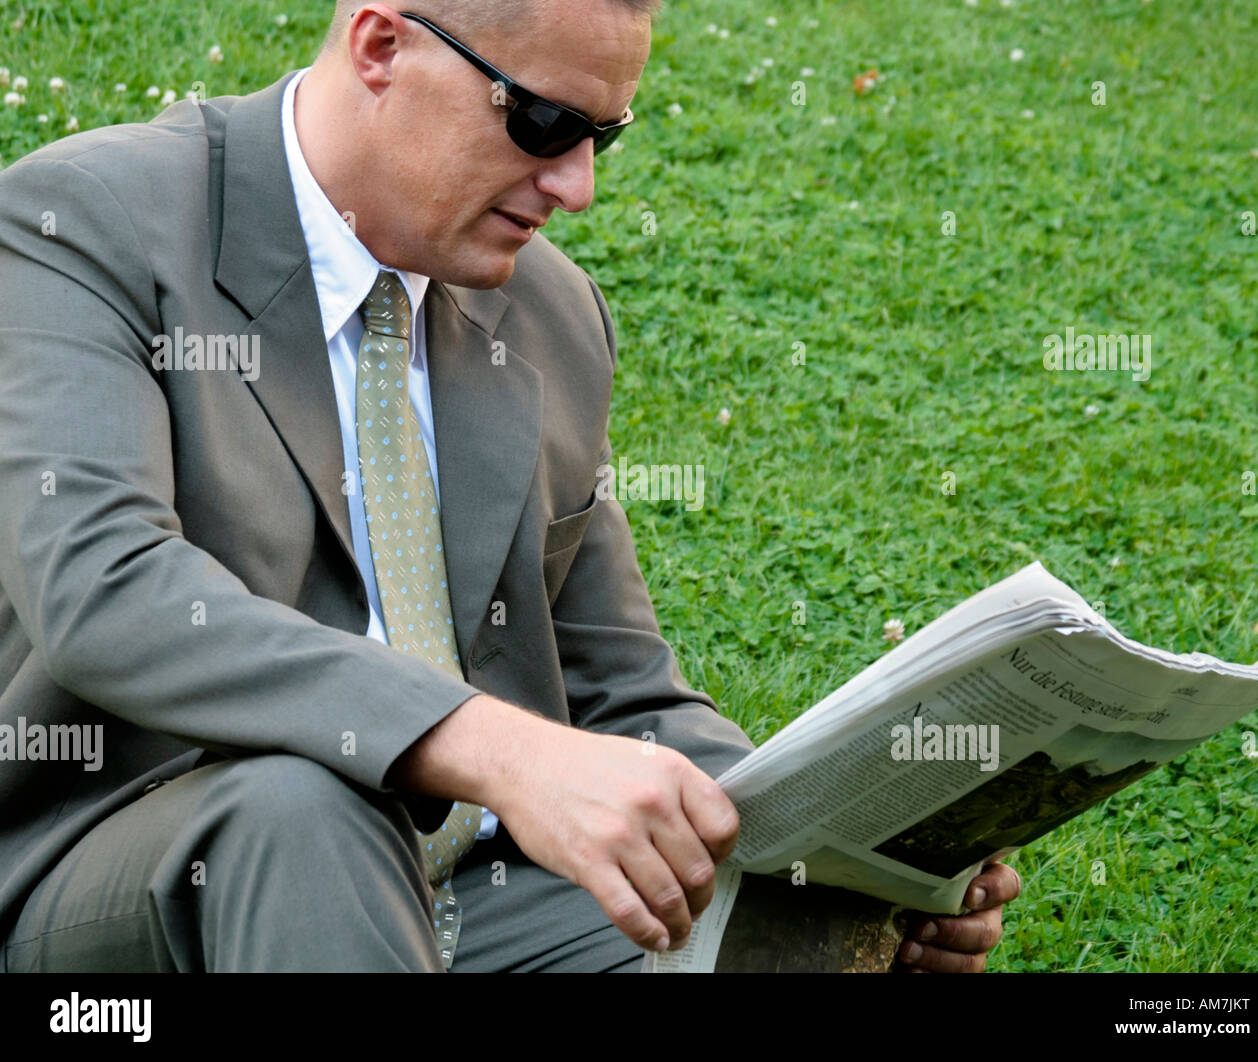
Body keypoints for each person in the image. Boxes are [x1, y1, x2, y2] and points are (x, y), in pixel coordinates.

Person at [0, 0, 1019, 973]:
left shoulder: (550, 314)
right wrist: (496, 750)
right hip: (127, 875)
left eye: (602, 137)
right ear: (381, 48)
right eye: (543, 123)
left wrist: (840, 856)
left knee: (790, 934)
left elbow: (620, 690)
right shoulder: (87, 222)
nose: (577, 186)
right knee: (304, 802)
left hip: (475, 900)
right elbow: (104, 585)